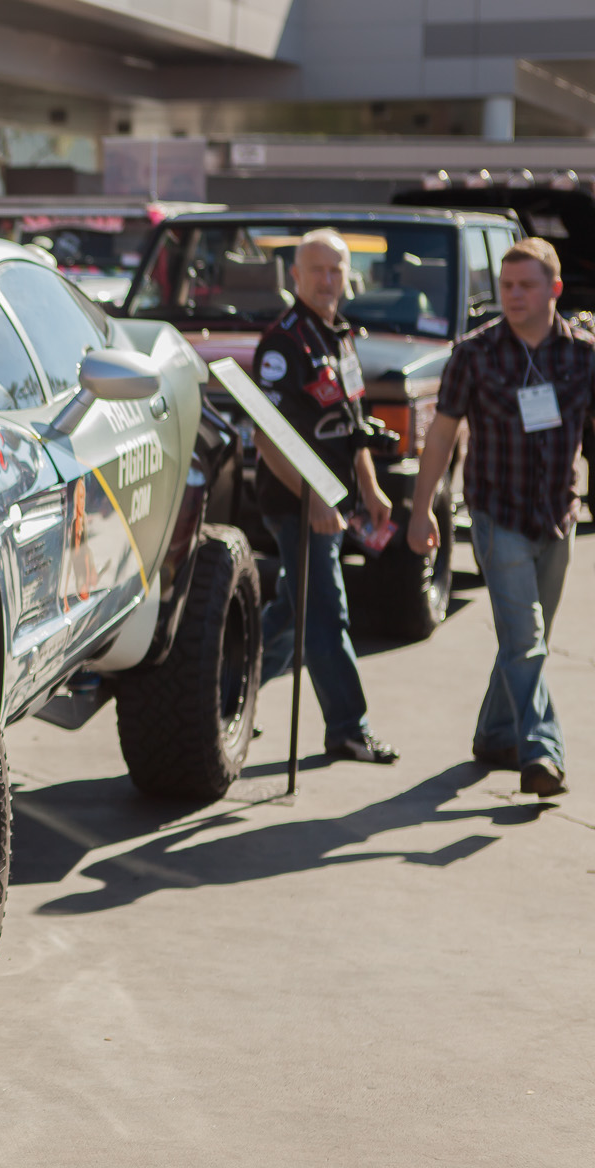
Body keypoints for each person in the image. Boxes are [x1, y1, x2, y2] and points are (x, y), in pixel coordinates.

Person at [407, 238, 593, 797]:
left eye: (526, 286)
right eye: (506, 286)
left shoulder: (583, 355)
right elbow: (442, 434)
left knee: (524, 639)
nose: (513, 295)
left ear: (554, 289)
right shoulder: (475, 353)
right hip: (497, 514)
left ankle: (494, 734)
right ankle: (542, 752)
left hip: (558, 514)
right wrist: (422, 509)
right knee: (526, 639)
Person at [251, 228, 400, 763]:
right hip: (297, 505)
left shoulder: (339, 336)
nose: (327, 279)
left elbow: (352, 427)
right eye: (316, 269)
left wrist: (370, 486)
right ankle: (348, 728)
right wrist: (313, 499)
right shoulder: (283, 343)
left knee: (293, 611)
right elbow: (267, 438)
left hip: (336, 502)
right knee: (326, 614)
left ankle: (222, 696)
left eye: (336, 269)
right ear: (295, 275)